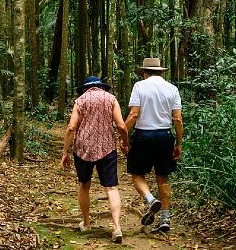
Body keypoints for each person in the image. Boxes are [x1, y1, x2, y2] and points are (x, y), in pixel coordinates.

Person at [60, 76, 129, 243]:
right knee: (111, 188)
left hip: (83, 149)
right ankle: (117, 227)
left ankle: (86, 222)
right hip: (107, 149)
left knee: (84, 185)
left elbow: (71, 127)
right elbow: (121, 125)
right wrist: (125, 142)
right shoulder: (111, 98)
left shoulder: (80, 101)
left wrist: (65, 152)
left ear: (85, 88)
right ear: (101, 86)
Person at [124, 57, 182, 233]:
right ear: (160, 72)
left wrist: (123, 136)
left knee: (137, 174)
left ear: (145, 72)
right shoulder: (172, 89)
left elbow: (134, 115)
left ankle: (150, 199)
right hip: (165, 136)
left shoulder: (140, 86)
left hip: (143, 136)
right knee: (163, 177)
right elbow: (178, 119)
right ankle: (165, 218)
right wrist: (178, 143)